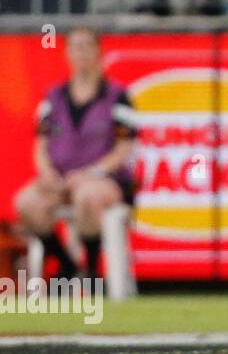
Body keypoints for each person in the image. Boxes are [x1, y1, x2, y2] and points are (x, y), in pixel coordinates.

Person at [13, 28, 136, 281]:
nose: (81, 53)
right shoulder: (54, 97)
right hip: (60, 178)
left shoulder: (118, 97)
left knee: (87, 196)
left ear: (99, 53)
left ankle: (91, 269)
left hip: (104, 179)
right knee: (26, 202)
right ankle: (65, 263)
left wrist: (91, 173)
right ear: (67, 53)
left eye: (87, 46)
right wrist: (47, 174)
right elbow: (41, 143)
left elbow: (124, 149)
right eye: (75, 47)